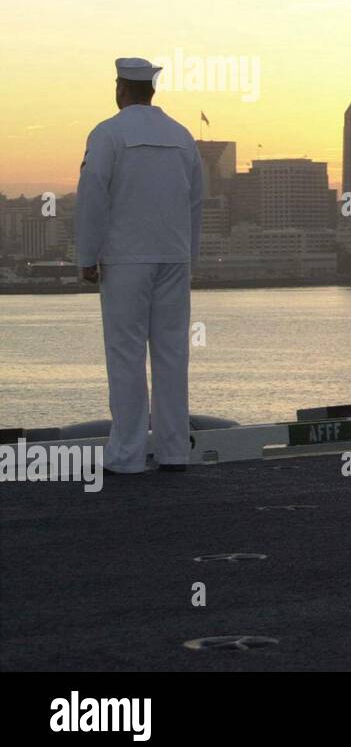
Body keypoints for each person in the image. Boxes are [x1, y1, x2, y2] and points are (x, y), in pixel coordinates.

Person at [75, 57, 204, 474]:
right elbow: (195, 203)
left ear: (120, 88)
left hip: (126, 258)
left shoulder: (108, 134)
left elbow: (94, 194)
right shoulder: (183, 137)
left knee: (126, 353)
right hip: (174, 257)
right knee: (172, 354)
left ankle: (127, 454)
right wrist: (190, 256)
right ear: (152, 90)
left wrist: (86, 255)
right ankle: (173, 451)